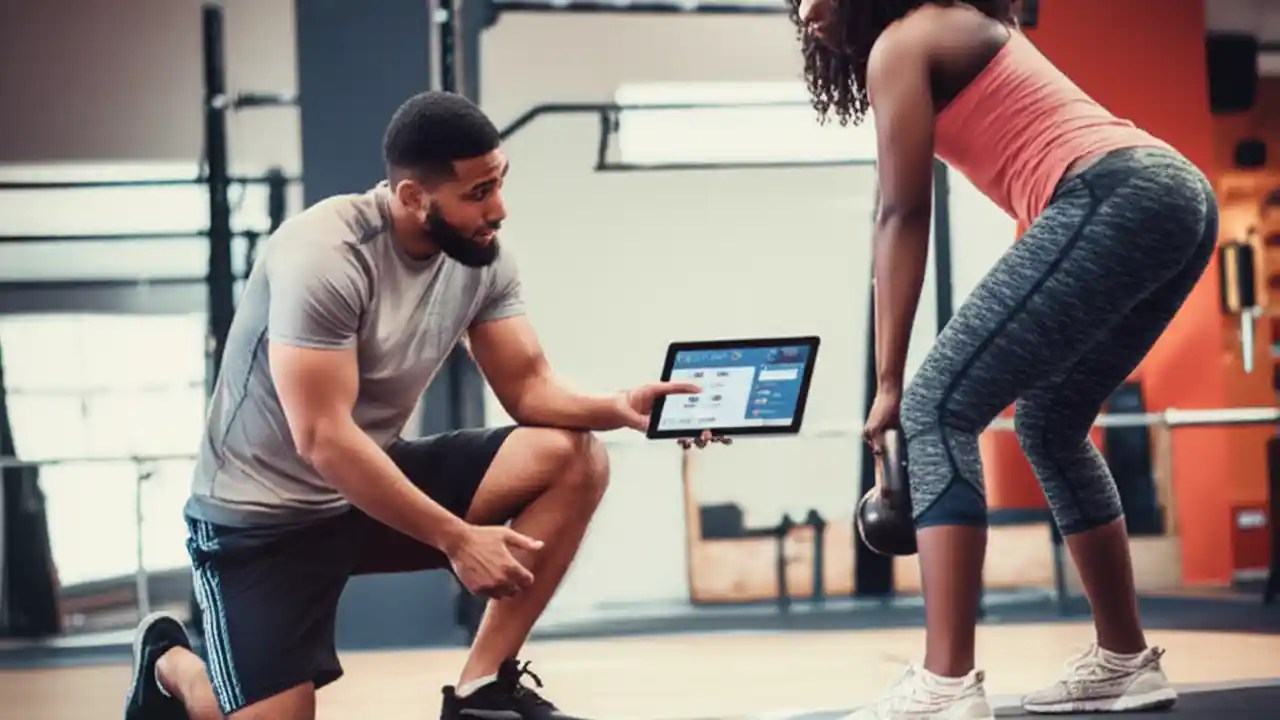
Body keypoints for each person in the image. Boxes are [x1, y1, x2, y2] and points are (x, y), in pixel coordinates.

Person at [123, 90, 699, 720]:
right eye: (478, 193)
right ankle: (171, 666)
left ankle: (481, 691)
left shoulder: (481, 259)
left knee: (572, 456)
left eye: (500, 182)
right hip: (259, 524)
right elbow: (322, 438)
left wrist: (620, 405)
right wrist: (457, 539)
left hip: (363, 491)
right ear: (411, 198)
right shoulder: (324, 256)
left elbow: (530, 389)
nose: (498, 209)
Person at [790, 1, 1217, 718]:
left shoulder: (904, 40)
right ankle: (1124, 658)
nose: (806, 11)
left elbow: (903, 215)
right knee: (1050, 423)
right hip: (1175, 196)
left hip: (1115, 191)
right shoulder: (946, 30)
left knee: (933, 408)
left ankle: (946, 686)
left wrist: (890, 384)